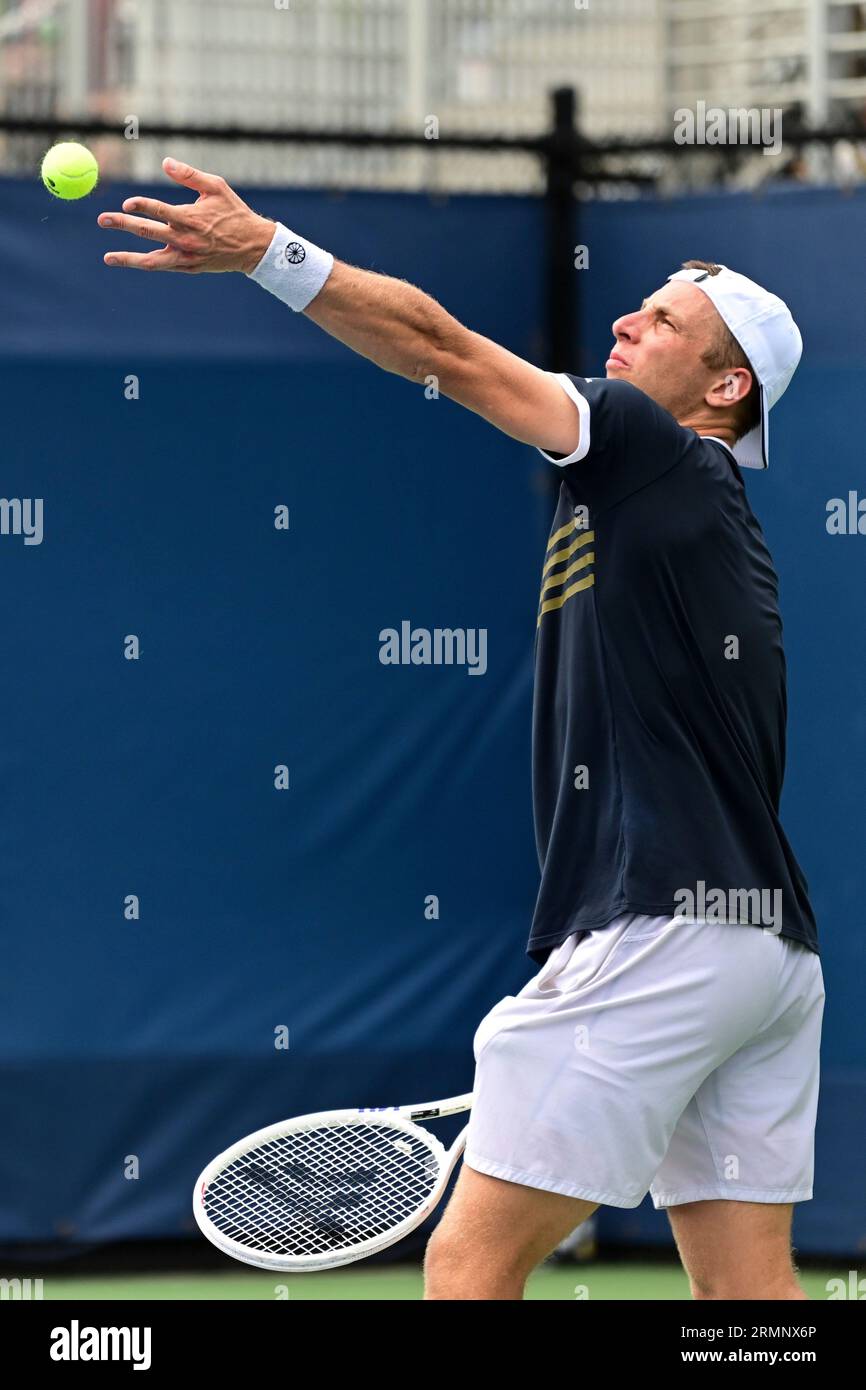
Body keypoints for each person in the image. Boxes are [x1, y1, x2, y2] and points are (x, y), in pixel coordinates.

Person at [99, 159, 825, 1302]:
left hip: (660, 930)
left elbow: (440, 349)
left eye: (665, 321)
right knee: (751, 1304)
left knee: (468, 1264)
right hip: (766, 953)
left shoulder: (648, 449)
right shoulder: (693, 516)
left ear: (724, 386)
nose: (627, 319)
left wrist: (268, 253)